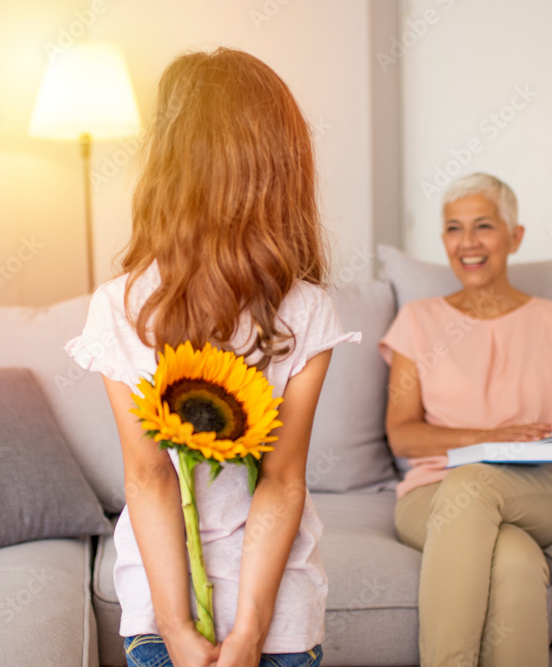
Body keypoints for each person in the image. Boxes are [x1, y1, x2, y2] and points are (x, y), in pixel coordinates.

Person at [66, 47, 359, 667]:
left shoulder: (120, 304)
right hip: (271, 617)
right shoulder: (305, 309)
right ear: (280, 166)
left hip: (180, 612)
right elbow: (281, 481)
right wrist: (235, 632)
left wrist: (179, 629)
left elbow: (152, 477)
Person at [379, 172, 552, 667]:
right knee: (517, 562)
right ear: (443, 242)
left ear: (515, 236)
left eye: (484, 226)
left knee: (475, 485)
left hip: (548, 489)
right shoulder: (418, 321)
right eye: (454, 229)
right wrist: (489, 437)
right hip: (434, 489)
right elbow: (403, 435)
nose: (468, 243)